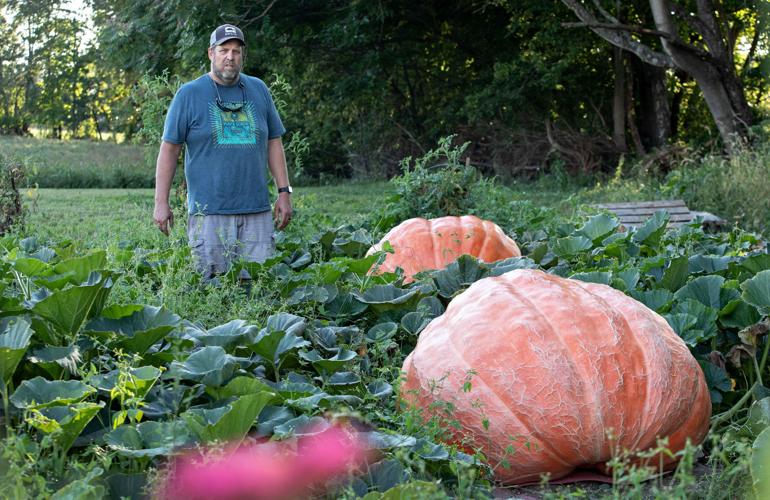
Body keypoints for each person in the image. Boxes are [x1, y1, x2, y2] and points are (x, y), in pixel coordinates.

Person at [153, 24, 292, 279]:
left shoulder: (259, 90)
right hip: (209, 214)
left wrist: (284, 192)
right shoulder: (189, 95)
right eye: (224, 50)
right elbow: (169, 150)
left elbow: (274, 141)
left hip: (257, 211)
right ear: (211, 53)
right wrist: (161, 202)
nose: (230, 57)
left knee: (259, 286)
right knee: (212, 287)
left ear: (242, 56)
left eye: (236, 51)